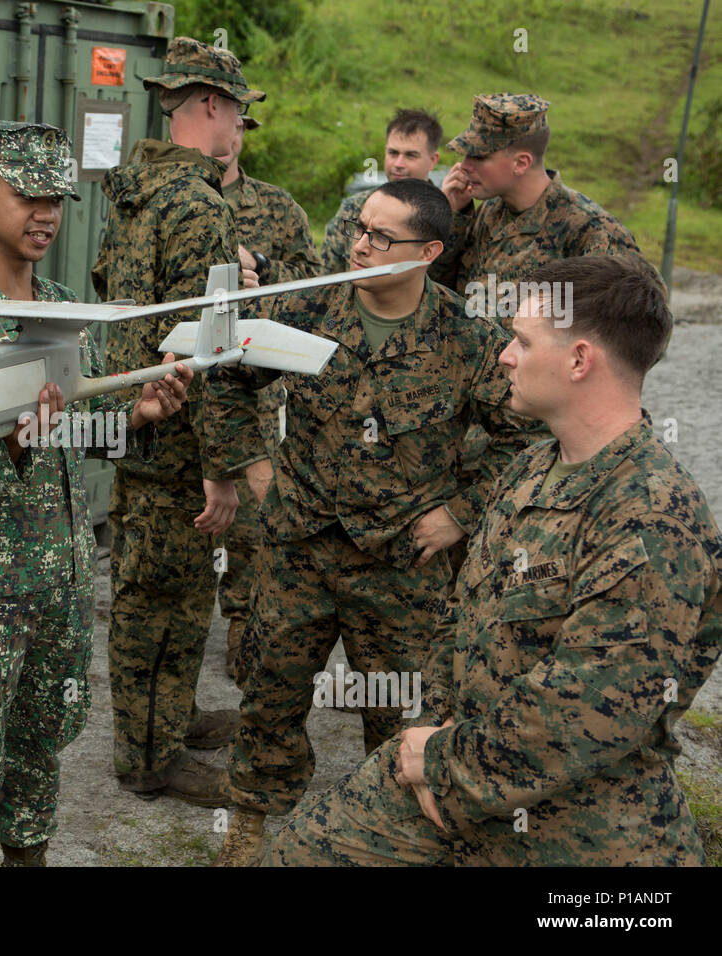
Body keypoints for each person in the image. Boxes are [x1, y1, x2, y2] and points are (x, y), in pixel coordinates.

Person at [270, 253, 721, 866]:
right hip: (462, 757)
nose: (504, 355)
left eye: (520, 340)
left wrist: (440, 768)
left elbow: (588, 709)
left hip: (578, 812)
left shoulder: (649, 516)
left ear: (579, 360)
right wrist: (431, 740)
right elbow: (459, 621)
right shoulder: (534, 467)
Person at [214, 179, 541, 864]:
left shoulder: (465, 339)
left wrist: (460, 512)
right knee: (269, 688)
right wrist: (251, 461)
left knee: (400, 712)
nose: (359, 243)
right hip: (298, 544)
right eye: (360, 228)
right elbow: (222, 373)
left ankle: (391, 832)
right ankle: (252, 807)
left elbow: (526, 438)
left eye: (380, 237)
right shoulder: (302, 309)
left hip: (400, 564)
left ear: (427, 252)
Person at [0, 120, 191, 866]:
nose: (46, 215)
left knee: (39, 758)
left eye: (56, 200)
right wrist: (22, 436)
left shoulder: (63, 308)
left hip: (59, 582)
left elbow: (80, 437)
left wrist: (138, 413)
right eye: (28, 195)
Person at [93, 36, 268, 807]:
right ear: (210, 105)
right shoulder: (199, 203)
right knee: (168, 599)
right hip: (179, 431)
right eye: (237, 112)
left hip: (139, 419)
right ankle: (150, 757)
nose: (241, 129)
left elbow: (118, 292)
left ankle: (166, 721)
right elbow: (211, 347)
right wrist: (220, 467)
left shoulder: (137, 191)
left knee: (146, 587)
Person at [214, 113, 322, 677]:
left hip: (253, 390)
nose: (227, 137)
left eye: (237, 126)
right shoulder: (180, 202)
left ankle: (243, 632)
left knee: (255, 523)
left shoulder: (278, 208)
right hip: (184, 384)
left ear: (242, 133)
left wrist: (262, 268)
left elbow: (312, 283)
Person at [430, 93, 639, 312]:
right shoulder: (487, 213)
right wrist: (453, 216)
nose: (463, 166)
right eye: (465, 155)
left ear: (521, 163)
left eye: (479, 157)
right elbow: (442, 296)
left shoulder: (594, 230)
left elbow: (633, 327)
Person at [321, 108, 443, 275]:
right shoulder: (355, 207)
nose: (398, 163)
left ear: (432, 160)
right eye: (393, 153)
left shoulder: (446, 214)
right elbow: (326, 275)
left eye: (410, 155)